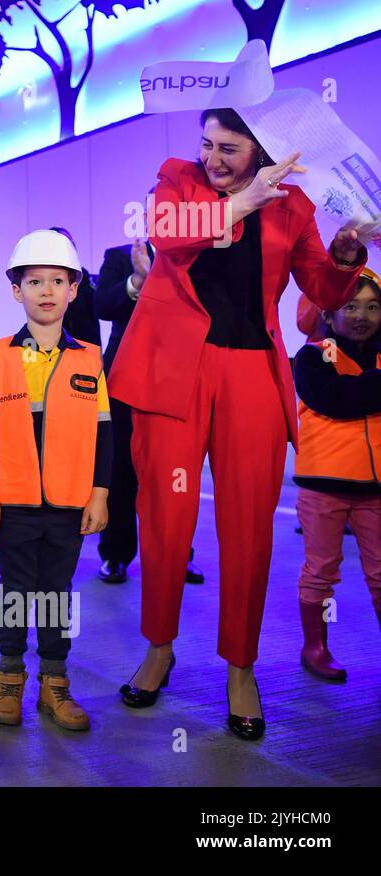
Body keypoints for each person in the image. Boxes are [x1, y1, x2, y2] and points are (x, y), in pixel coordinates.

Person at [111, 108, 368, 740]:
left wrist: (344, 256)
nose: (213, 159)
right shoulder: (177, 180)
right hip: (172, 371)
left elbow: (325, 292)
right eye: (207, 144)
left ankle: (241, 668)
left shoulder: (294, 204)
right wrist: (241, 201)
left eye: (229, 148)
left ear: (260, 149)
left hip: (252, 370)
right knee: (166, 517)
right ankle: (159, 647)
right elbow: (169, 237)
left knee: (250, 525)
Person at [0, 230, 110, 732]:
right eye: (34, 281)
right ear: (16, 291)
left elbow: (104, 435)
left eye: (58, 280)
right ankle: (10, 679)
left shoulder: (89, 359)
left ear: (74, 289)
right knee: (15, 592)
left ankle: (55, 683)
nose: (47, 291)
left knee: (56, 591)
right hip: (14, 504)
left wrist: (99, 495)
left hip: (70, 503)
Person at [93, 229, 204, 585]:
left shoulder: (200, 255)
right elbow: (104, 305)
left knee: (176, 475)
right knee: (121, 471)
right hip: (127, 377)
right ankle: (115, 554)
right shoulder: (119, 255)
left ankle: (175, 555)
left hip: (180, 377)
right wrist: (137, 281)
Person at [291, 267, 381, 680]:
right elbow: (337, 399)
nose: (362, 314)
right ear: (328, 314)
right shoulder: (312, 356)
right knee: (321, 570)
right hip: (322, 485)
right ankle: (316, 647)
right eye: (351, 305)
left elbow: (350, 394)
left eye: (373, 306)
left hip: (375, 487)